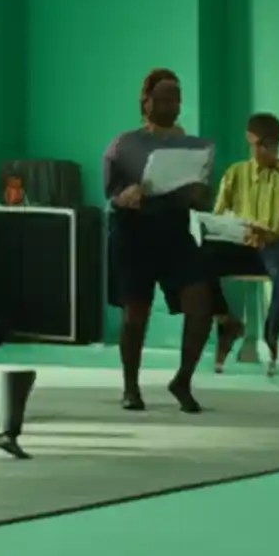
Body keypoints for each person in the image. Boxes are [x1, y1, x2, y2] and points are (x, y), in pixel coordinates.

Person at [102, 68, 213, 413]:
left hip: (174, 230)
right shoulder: (124, 144)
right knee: (136, 311)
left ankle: (183, 379)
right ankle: (131, 387)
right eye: (163, 98)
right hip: (133, 231)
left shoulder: (193, 146)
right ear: (146, 101)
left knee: (201, 301)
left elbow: (203, 199)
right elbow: (109, 192)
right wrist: (126, 195)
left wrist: (197, 195)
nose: (170, 104)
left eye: (176, 98)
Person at [206, 113, 279, 376]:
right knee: (195, 255)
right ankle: (225, 320)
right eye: (258, 144)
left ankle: (272, 329)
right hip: (239, 244)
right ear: (249, 141)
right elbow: (217, 219)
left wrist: (272, 234)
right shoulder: (235, 174)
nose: (264, 150)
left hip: (274, 245)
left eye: (270, 144)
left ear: (278, 143)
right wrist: (234, 229)